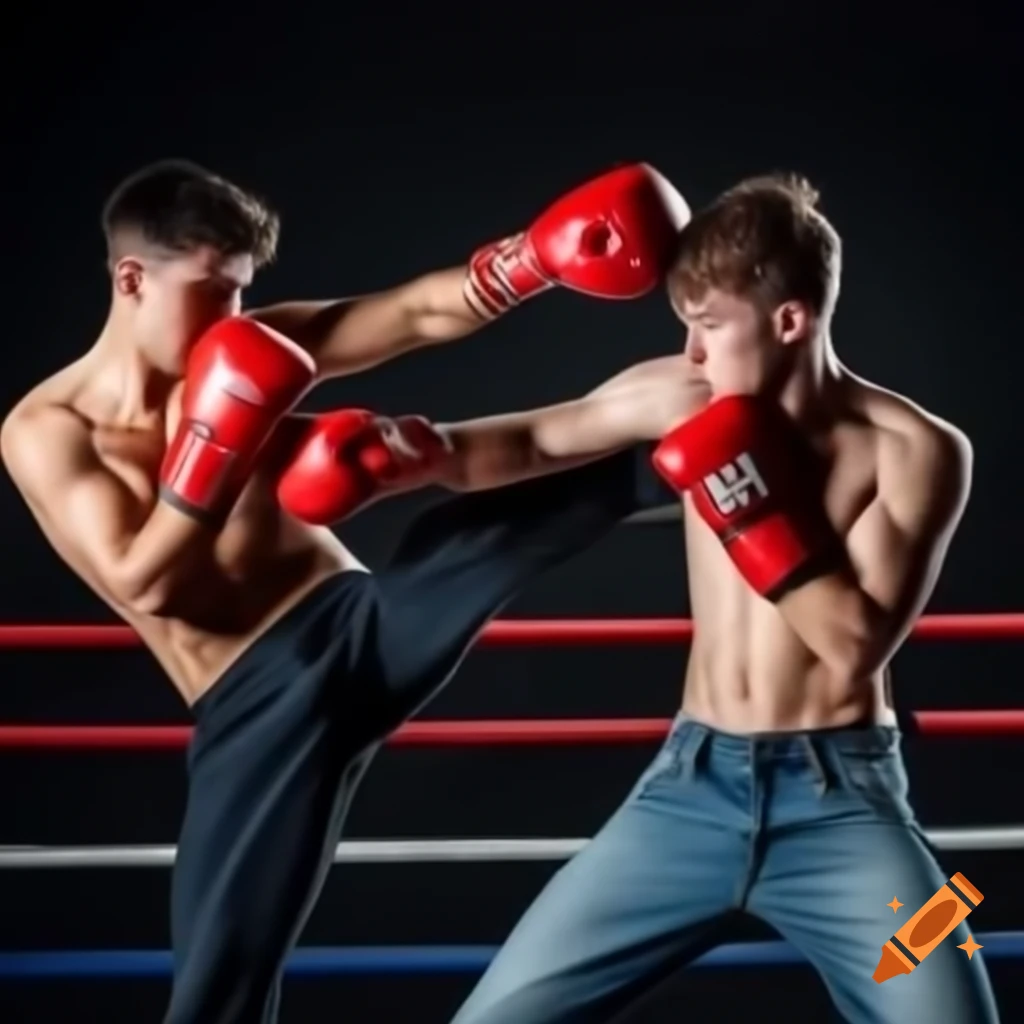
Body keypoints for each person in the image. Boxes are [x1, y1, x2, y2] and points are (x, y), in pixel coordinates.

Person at [0, 158, 689, 1023]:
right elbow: (145, 578)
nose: (231, 319)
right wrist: (216, 440)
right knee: (219, 985)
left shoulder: (250, 348)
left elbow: (413, 313)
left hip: (363, 623)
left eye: (243, 294)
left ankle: (686, 451)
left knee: (460, 533)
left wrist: (533, 260)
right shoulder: (46, 429)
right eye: (212, 292)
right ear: (131, 278)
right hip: (257, 707)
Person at [440, 173, 1000, 1023]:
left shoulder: (915, 449)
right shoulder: (683, 394)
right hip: (684, 795)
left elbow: (855, 645)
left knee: (953, 1012)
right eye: (685, 330)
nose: (693, 354)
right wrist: (396, 456)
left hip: (849, 812)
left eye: (709, 329)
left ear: (790, 321)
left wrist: (750, 506)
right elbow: (530, 440)